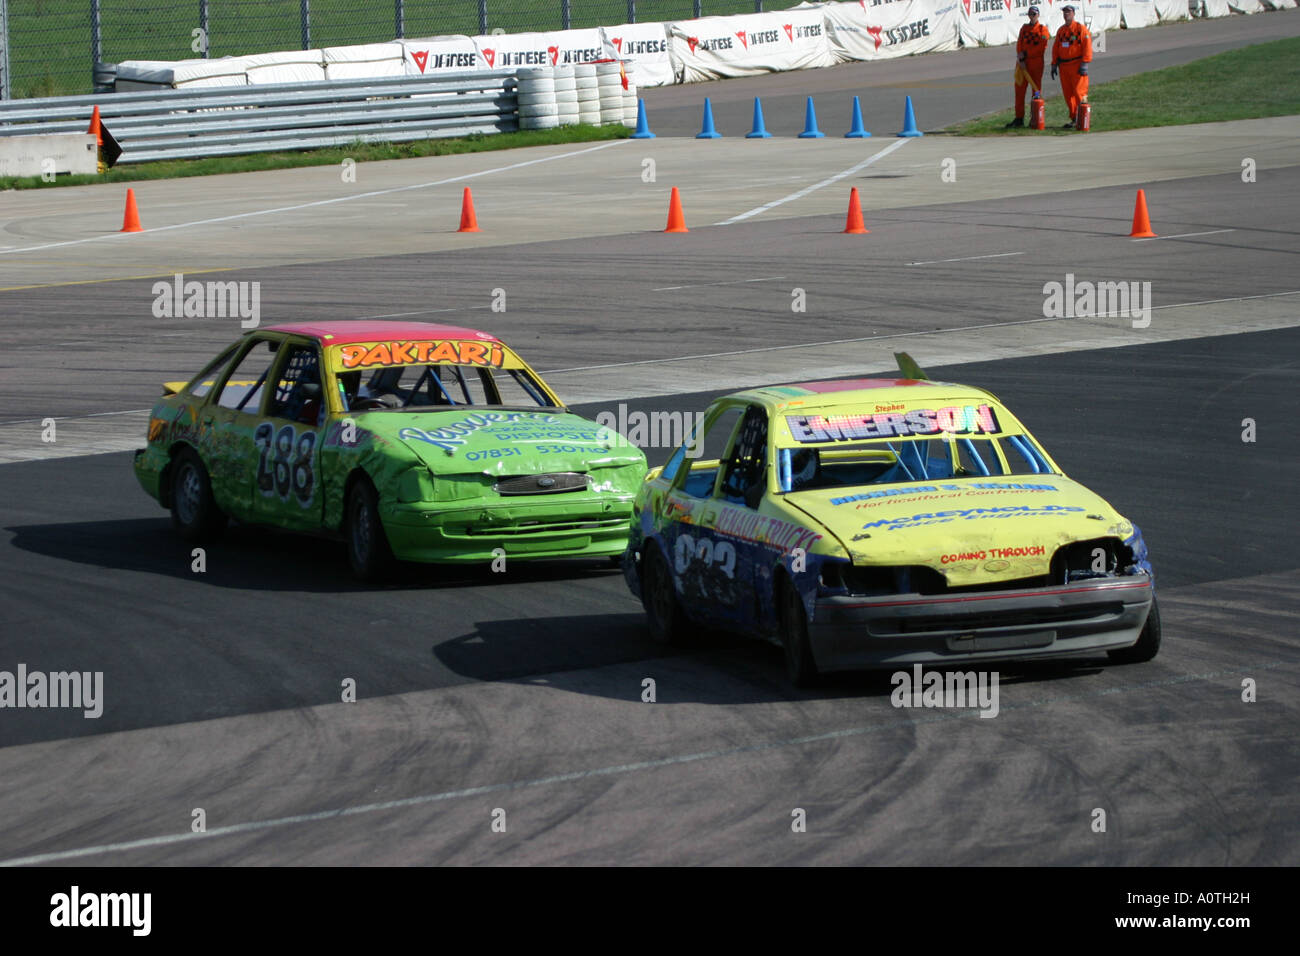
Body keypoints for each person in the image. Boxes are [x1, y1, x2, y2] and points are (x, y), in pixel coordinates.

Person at [1007, 6, 1051, 128]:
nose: (1032, 16)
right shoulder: (1024, 28)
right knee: (1019, 91)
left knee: (1036, 92)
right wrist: (1020, 57)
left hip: (1036, 64)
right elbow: (1019, 43)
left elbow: (1041, 48)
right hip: (1022, 64)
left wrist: (1026, 54)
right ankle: (1019, 118)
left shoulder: (1043, 30)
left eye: (1034, 14)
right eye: (1030, 14)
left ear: (1038, 15)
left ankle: (1035, 118)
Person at [1051, 4, 1093, 128]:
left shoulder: (1080, 29)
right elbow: (1056, 48)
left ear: (1074, 13)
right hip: (1064, 66)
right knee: (1068, 95)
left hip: (1077, 65)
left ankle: (1083, 118)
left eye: (1068, 12)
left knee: (1079, 93)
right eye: (1064, 12)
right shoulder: (1061, 31)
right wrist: (1054, 64)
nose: (1066, 14)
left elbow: (1087, 46)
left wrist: (1085, 63)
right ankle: (1074, 118)